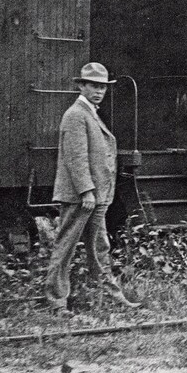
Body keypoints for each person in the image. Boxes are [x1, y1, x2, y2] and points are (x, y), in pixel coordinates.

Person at [45, 63, 139, 313]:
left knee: (99, 248)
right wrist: (86, 190)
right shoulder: (76, 114)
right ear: (81, 86)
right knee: (65, 247)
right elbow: (75, 157)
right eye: (94, 86)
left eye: (102, 87)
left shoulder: (91, 113)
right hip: (82, 196)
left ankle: (110, 296)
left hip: (97, 196)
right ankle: (56, 301)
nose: (99, 91)